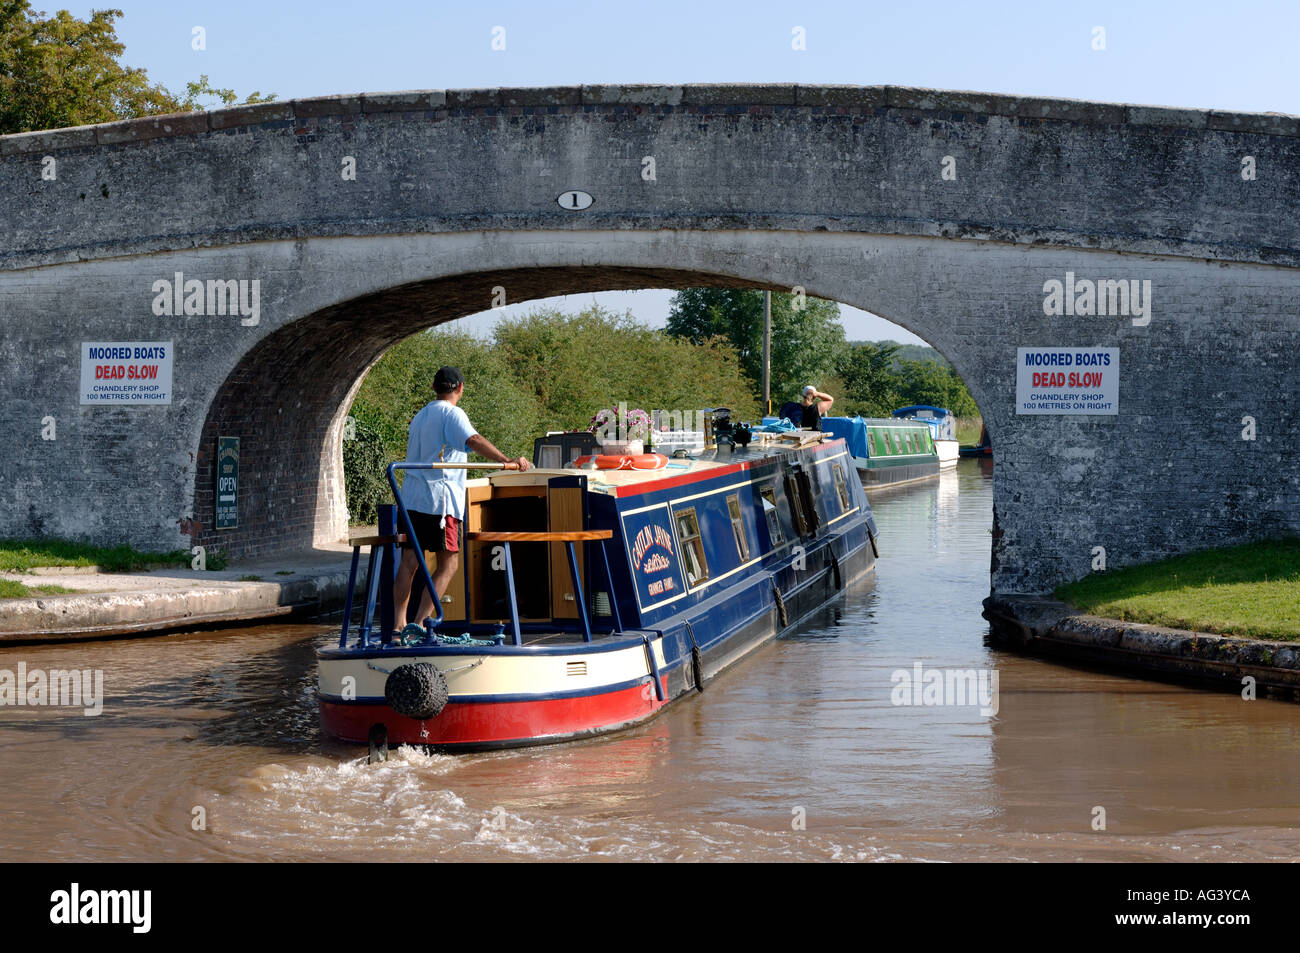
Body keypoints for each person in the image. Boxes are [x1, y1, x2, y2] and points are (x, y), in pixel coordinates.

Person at [393, 365, 531, 635]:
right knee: (449, 564)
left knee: (409, 562)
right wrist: (507, 461)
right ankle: (420, 623)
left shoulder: (420, 416)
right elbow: (474, 440)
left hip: (410, 499)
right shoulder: (452, 413)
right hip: (439, 503)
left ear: (434, 388)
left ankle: (398, 625)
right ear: (460, 388)